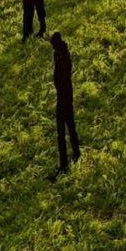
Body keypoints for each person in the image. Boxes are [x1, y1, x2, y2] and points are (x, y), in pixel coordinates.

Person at [50, 30, 80, 176]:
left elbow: (62, 78)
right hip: (62, 97)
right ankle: (74, 154)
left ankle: (66, 162)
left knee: (64, 130)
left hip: (65, 98)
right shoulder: (59, 54)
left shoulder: (63, 57)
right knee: (67, 129)